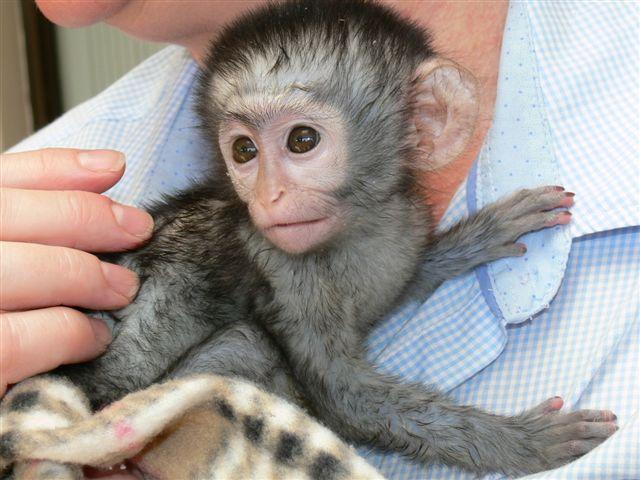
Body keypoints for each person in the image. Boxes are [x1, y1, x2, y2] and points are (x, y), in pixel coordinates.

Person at [1, 1, 637, 478]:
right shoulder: (36, 192)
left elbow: (365, 286)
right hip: (165, 384)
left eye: (303, 140)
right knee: (262, 349)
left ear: (427, 121)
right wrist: (511, 445)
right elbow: (346, 393)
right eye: (244, 152)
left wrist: (474, 241)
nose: (269, 197)